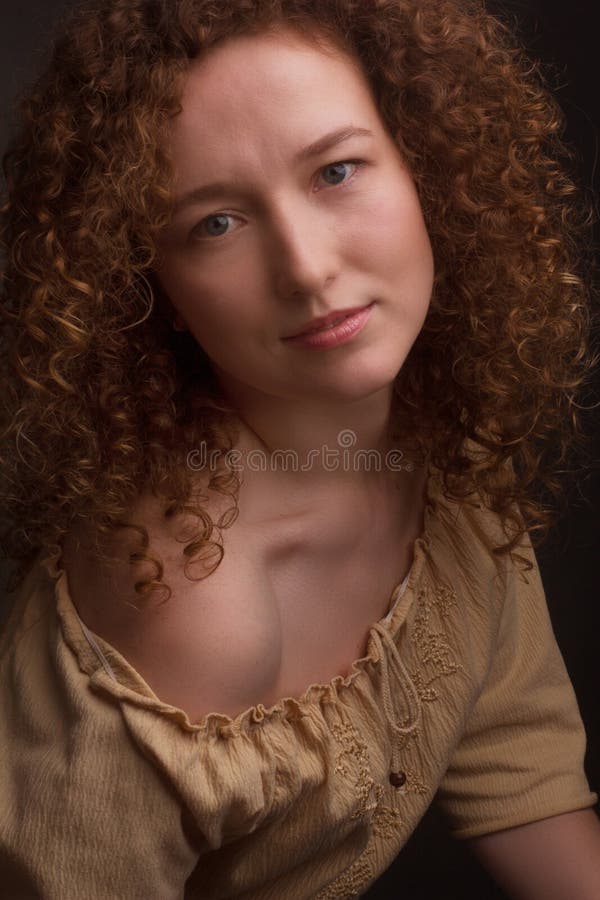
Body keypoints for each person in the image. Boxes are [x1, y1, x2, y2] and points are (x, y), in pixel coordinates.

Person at [1, 0, 599, 897]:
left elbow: (523, 770)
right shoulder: (191, 596)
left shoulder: (448, 439)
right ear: (151, 287)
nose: (308, 268)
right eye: (215, 223)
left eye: (336, 171)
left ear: (426, 167)